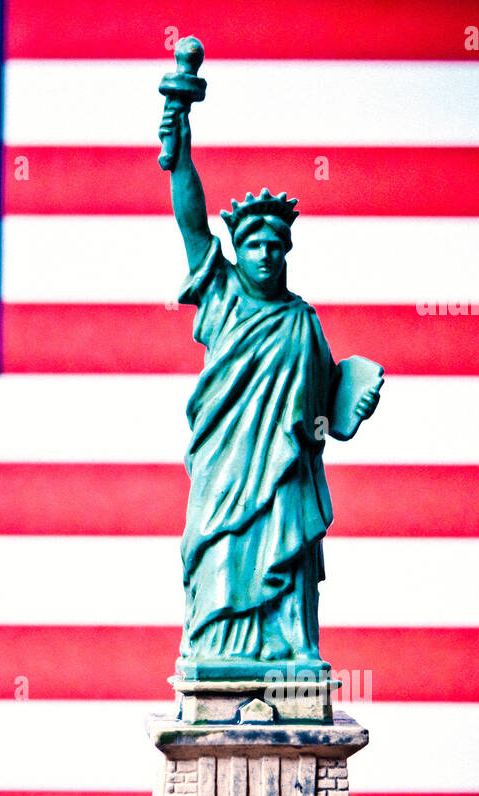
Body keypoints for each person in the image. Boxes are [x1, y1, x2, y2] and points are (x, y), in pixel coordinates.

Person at [159, 99, 379, 679]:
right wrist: (181, 143)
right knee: (224, 549)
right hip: (228, 464)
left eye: (275, 246)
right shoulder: (223, 297)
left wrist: (349, 407)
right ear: (239, 251)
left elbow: (323, 406)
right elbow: (191, 218)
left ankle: (291, 646)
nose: (265, 255)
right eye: (254, 245)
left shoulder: (303, 320)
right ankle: (217, 644)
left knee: (289, 543)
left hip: (286, 467)